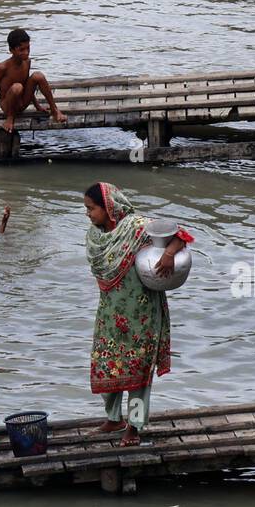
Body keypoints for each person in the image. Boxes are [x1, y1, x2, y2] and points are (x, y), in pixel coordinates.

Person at [83, 182, 192, 447]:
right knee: (106, 362)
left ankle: (133, 427)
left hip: (141, 313)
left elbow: (182, 235)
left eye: (91, 208)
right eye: (86, 209)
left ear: (109, 207)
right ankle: (113, 419)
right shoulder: (96, 236)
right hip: (110, 311)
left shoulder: (137, 227)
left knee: (138, 371)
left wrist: (168, 253)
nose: (88, 214)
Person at [0, 29, 67, 134]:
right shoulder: (2, 67)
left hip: (22, 103)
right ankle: (10, 118)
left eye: (28, 48)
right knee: (17, 87)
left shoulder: (27, 62)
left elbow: (27, 83)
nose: (26, 52)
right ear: (11, 50)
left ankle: (55, 110)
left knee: (38, 75)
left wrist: (37, 106)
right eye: (21, 49)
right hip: (7, 105)